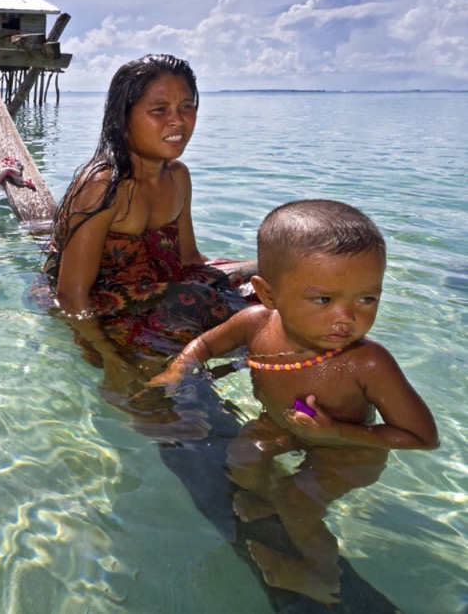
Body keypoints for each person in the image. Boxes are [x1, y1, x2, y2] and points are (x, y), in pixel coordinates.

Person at [146, 198, 439, 603]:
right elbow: (207, 343)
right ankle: (265, 505)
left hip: (348, 448)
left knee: (298, 502)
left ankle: (321, 577)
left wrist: (336, 431)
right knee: (242, 458)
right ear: (267, 294)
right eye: (323, 300)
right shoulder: (254, 325)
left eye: (367, 299)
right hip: (285, 424)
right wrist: (179, 367)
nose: (346, 317)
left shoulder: (368, 362)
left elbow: (422, 437)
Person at [37, 54, 256, 394]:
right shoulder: (102, 185)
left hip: (161, 284)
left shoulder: (179, 177)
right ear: (122, 120)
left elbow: (189, 259)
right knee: (204, 305)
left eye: (186, 106)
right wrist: (110, 359)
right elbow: (70, 294)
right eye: (159, 110)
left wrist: (259, 268)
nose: (178, 121)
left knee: (274, 276)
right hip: (104, 299)